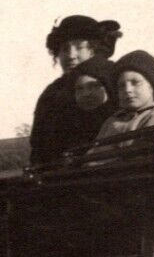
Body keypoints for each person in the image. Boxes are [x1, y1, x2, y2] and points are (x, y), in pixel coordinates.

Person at [28, 15, 123, 166]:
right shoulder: (51, 94)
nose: (71, 56)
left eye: (79, 47)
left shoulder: (115, 79)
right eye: (65, 49)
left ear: (94, 49)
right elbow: (38, 147)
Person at [96, 50, 154, 138]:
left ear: (151, 86)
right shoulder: (111, 121)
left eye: (135, 82)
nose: (127, 90)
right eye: (121, 86)